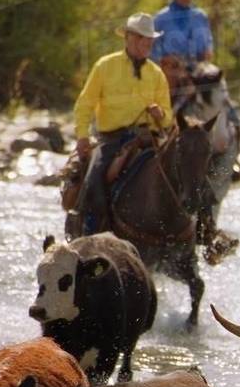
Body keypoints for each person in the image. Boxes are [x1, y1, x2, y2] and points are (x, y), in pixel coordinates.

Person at [73, 13, 174, 236]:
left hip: (148, 139)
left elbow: (169, 117)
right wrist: (82, 136)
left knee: (183, 174)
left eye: (149, 39)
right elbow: (85, 104)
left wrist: (160, 114)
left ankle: (196, 234)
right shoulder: (105, 66)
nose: (147, 43)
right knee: (94, 180)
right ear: (128, 37)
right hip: (112, 140)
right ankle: (88, 235)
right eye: (141, 38)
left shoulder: (156, 74)